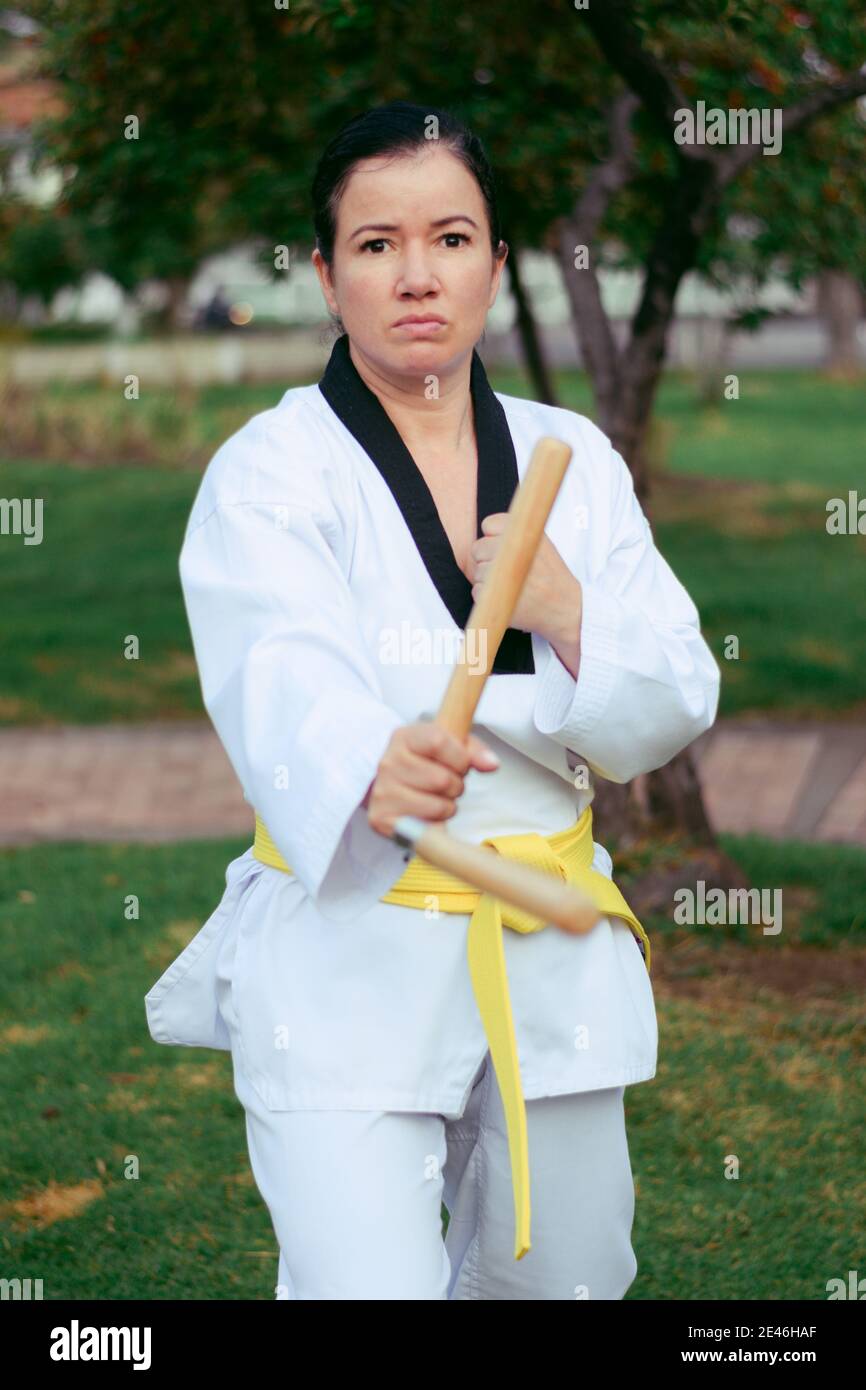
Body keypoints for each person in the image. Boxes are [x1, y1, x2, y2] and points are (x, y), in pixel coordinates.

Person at [144, 100, 721, 1300]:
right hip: (351, 943)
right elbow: (275, 665)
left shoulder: (575, 458)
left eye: (452, 238)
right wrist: (368, 762)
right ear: (325, 272)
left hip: (543, 940)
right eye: (376, 244)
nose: (418, 275)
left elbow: (673, 694)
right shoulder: (273, 468)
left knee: (568, 1280)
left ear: (496, 265)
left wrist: (564, 606)